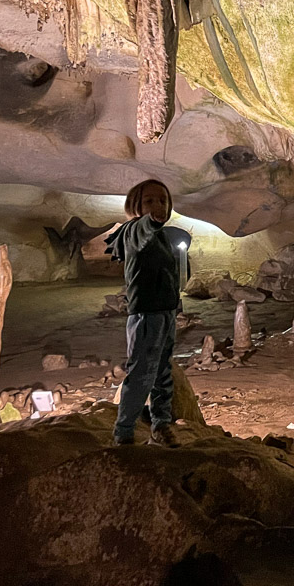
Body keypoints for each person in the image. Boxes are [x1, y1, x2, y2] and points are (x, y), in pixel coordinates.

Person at [104, 179, 190, 447]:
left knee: (162, 373)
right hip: (146, 316)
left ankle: (160, 425)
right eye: (149, 201)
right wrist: (149, 221)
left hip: (164, 313)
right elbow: (141, 230)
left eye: (162, 200)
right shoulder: (133, 230)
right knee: (142, 374)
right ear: (136, 206)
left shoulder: (161, 236)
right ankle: (124, 434)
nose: (158, 206)